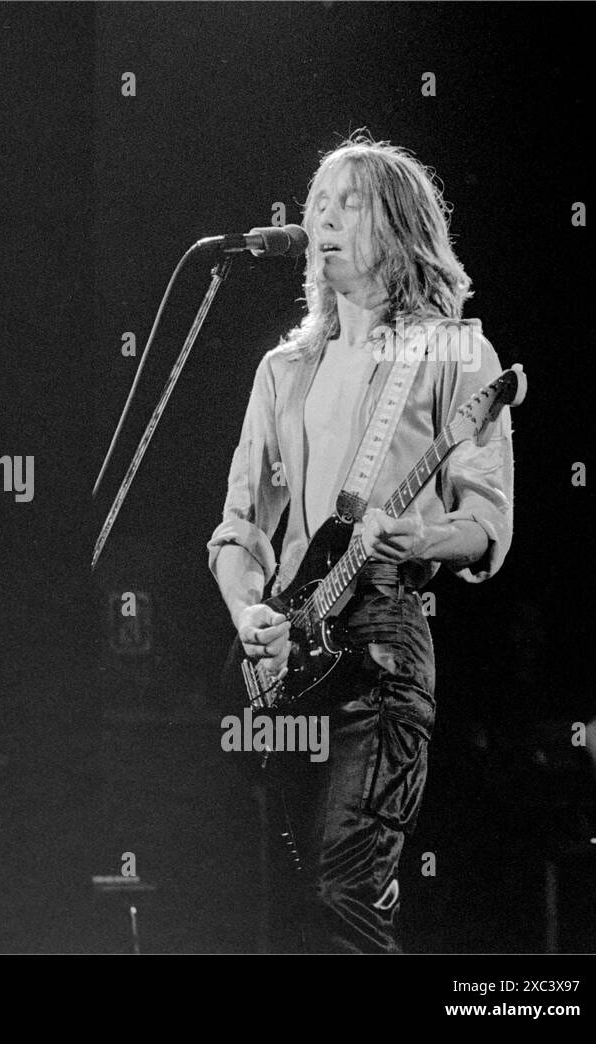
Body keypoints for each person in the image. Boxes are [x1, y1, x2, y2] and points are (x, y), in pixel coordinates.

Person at [208, 137, 515, 952]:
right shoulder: (283, 367)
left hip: (383, 640)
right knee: (278, 903)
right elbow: (241, 526)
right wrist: (248, 611)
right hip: (290, 653)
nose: (325, 221)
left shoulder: (453, 350)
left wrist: (422, 534)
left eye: (351, 205)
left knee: (344, 887)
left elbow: (487, 518)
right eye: (318, 206)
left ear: (400, 226)